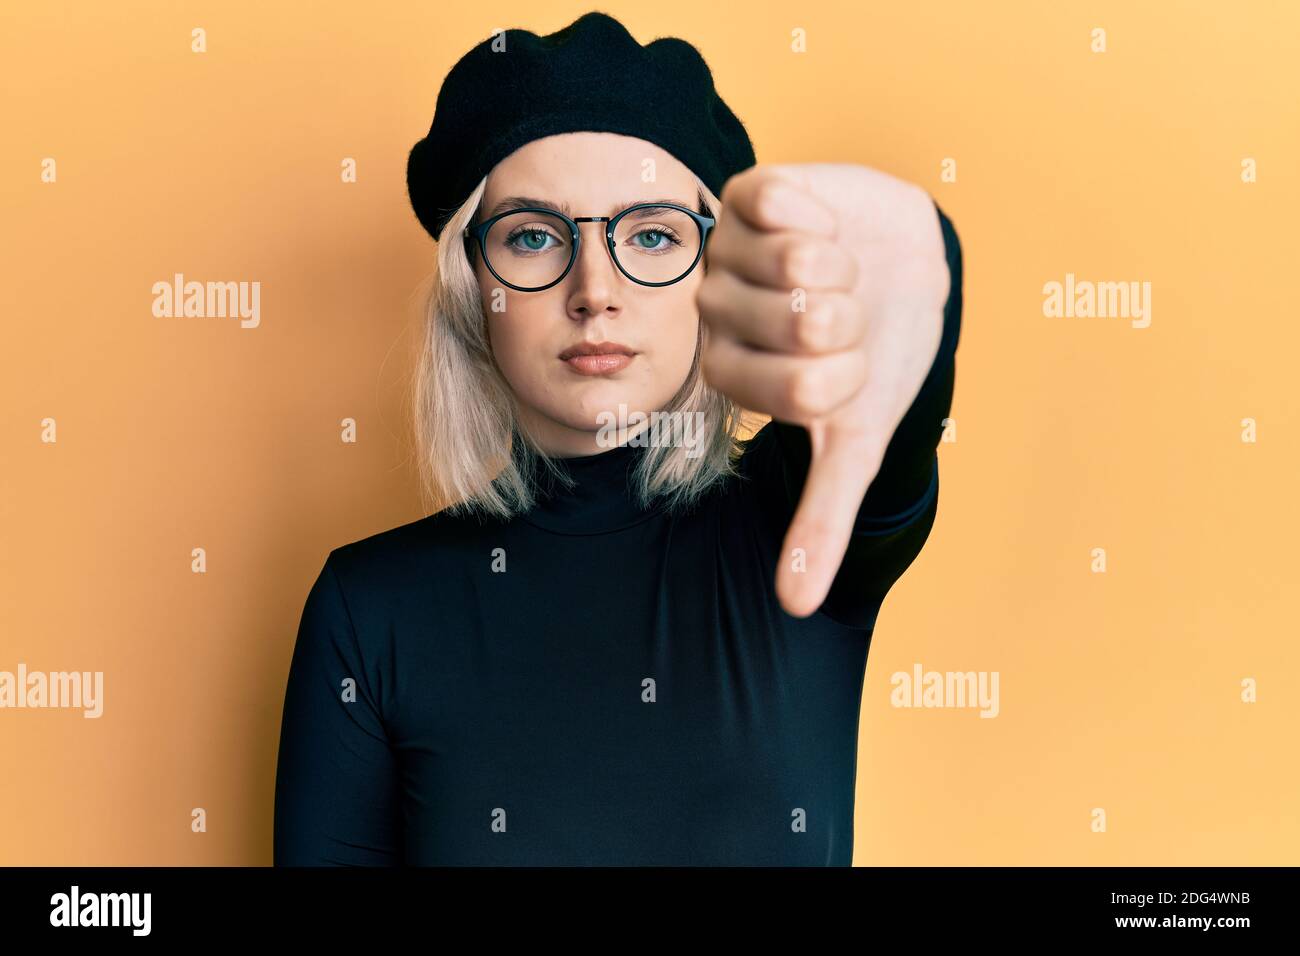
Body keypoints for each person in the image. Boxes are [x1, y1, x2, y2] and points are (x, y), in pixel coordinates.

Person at [273, 10, 962, 866]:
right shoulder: (368, 608)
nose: (595, 289)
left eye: (651, 234)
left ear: (718, 275)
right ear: (471, 289)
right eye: (532, 236)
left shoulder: (798, 526)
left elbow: (896, 406)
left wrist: (922, 260)